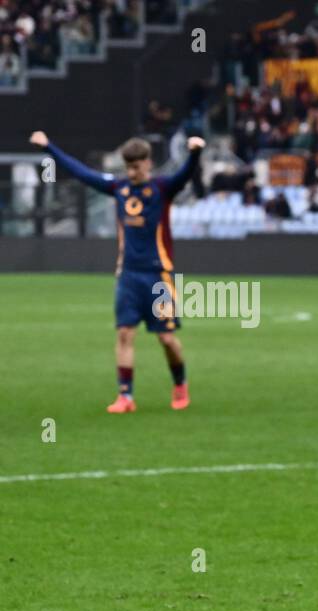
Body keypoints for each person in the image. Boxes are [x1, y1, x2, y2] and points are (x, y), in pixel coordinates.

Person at [32, 130, 204, 413]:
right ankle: (126, 396)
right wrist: (49, 147)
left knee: (167, 339)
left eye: (137, 166)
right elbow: (82, 173)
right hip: (128, 276)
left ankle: (180, 383)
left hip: (157, 277)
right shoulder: (119, 189)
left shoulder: (162, 189)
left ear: (148, 163)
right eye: (128, 167)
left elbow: (185, 175)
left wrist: (195, 153)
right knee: (125, 334)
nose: (132, 172)